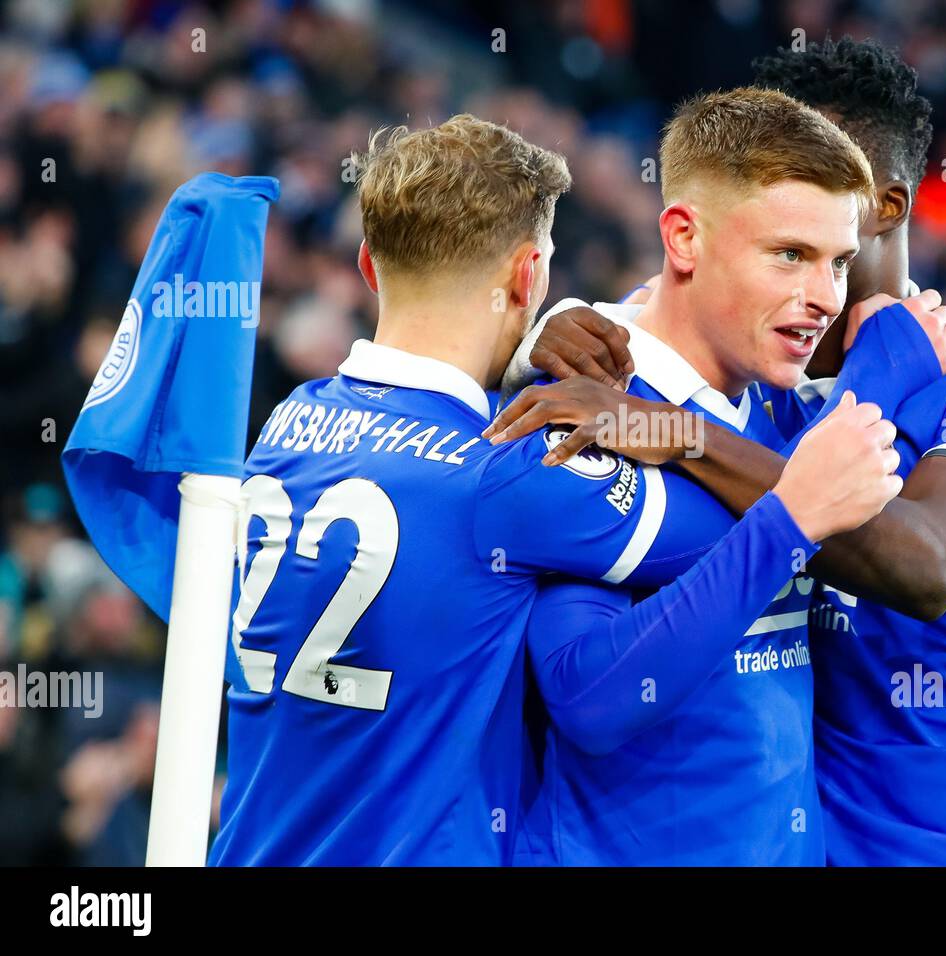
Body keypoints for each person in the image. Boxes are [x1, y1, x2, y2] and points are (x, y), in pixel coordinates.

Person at [210, 113, 896, 865]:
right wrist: (795, 510)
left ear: (371, 266)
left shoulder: (291, 420)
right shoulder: (510, 468)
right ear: (528, 274)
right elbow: (770, 517)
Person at [490, 38, 946, 865]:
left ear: (886, 206)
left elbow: (927, 566)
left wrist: (683, 439)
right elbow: (618, 354)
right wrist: (534, 338)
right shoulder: (751, 375)